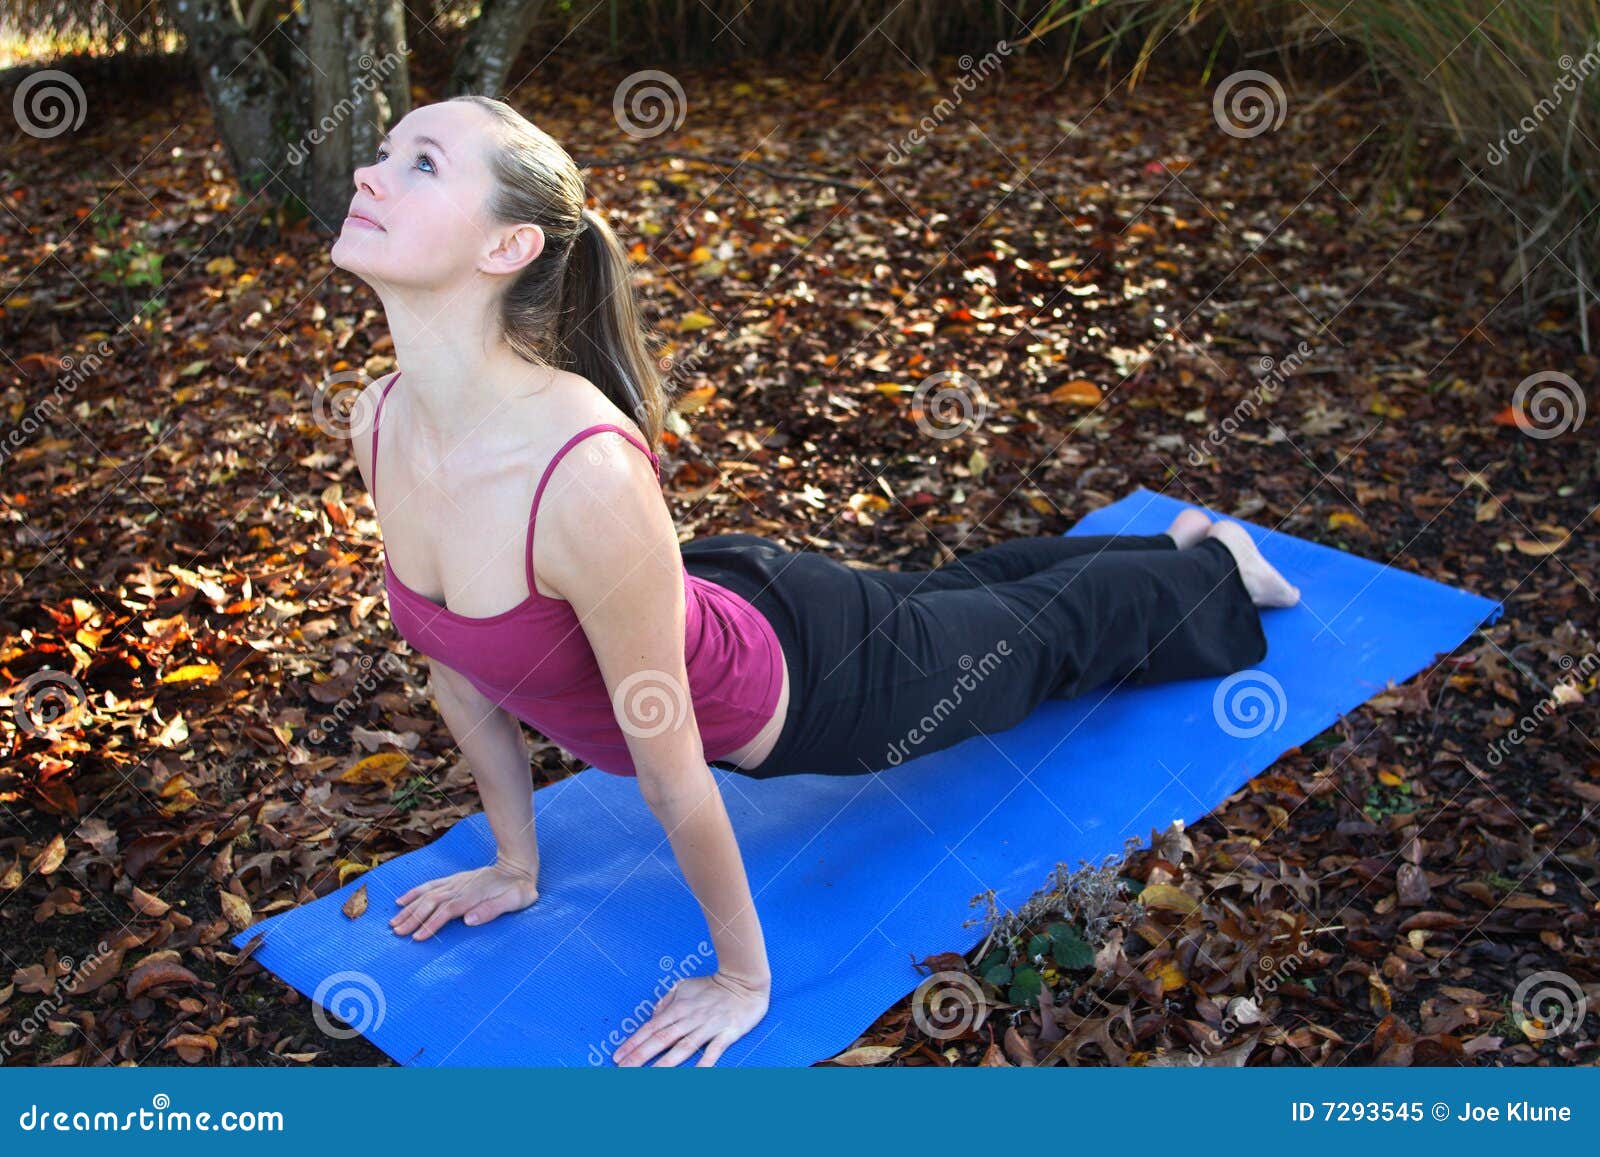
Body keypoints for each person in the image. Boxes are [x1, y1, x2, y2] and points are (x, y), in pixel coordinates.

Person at [329, 95, 1301, 1068]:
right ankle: (1165, 550)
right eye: (383, 153)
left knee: (1031, 641)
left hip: (818, 680)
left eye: (421, 164)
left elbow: (672, 774)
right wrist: (513, 864)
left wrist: (744, 978)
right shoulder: (381, 417)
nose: (369, 173)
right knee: (950, 594)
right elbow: (458, 668)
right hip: (707, 593)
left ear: (507, 247)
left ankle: (1214, 564)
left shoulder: (578, 468)